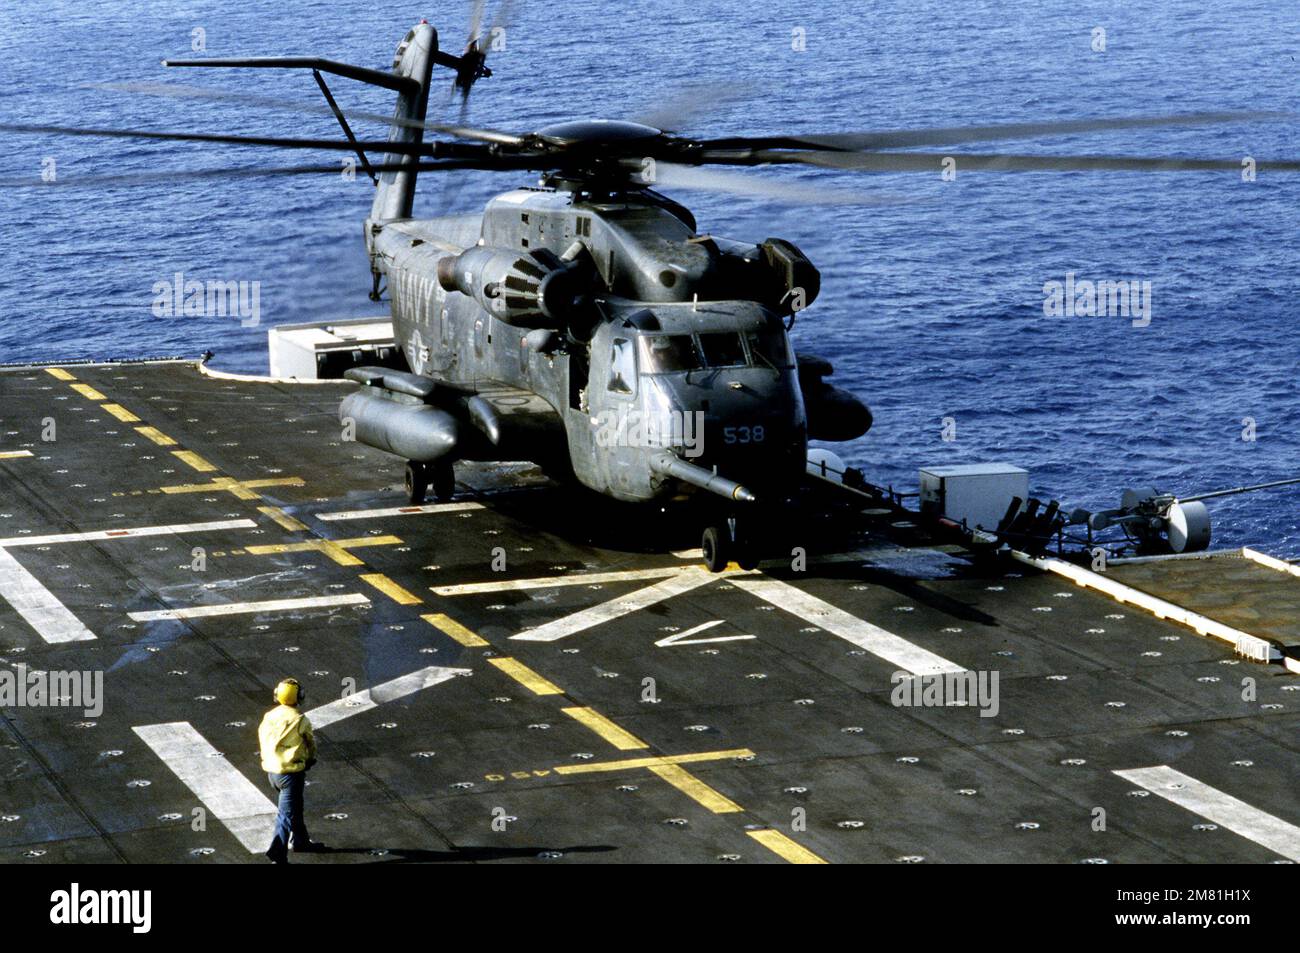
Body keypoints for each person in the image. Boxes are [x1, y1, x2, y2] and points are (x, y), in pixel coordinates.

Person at [258, 677, 325, 863]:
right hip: (290, 774)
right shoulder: (300, 719)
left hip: (272, 771)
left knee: (295, 807)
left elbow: (262, 737)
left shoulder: (269, 716)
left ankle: (301, 841)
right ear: (299, 696)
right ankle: (277, 854)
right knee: (286, 814)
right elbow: (310, 743)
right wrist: (310, 759)